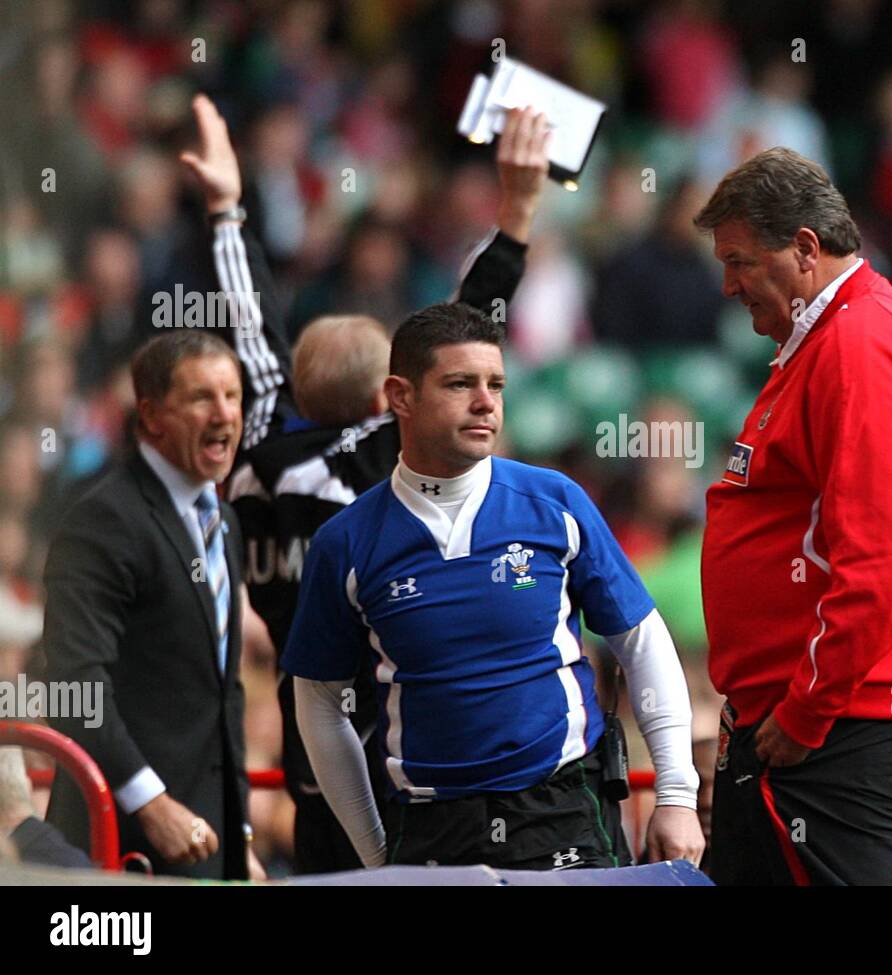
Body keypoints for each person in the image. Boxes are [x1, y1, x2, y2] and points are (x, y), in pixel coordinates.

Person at [181, 92, 552, 873]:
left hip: (305, 732)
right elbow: (465, 325)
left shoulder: (255, 455)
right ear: (394, 397)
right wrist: (516, 213)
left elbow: (251, 329)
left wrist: (226, 211)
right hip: (400, 744)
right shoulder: (379, 452)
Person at [281, 303, 706, 871]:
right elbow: (318, 701)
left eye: (496, 385)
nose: (486, 402)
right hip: (430, 829)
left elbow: (642, 641)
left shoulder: (555, 502)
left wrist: (676, 796)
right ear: (400, 396)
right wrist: (377, 853)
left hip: (563, 813)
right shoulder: (347, 541)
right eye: (460, 384)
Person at [693, 147, 892, 885]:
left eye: (741, 261)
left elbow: (882, 559)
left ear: (805, 248)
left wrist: (807, 709)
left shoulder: (860, 346)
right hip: (811, 714)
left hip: (840, 718)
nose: (728, 284)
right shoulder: (829, 339)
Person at [41, 332, 262, 880]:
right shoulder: (105, 520)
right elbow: (75, 683)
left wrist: (241, 836)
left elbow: (223, 692)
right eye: (202, 398)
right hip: (122, 844)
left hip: (209, 841)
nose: (225, 415)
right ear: (151, 413)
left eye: (233, 397)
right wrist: (151, 803)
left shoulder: (224, 521)